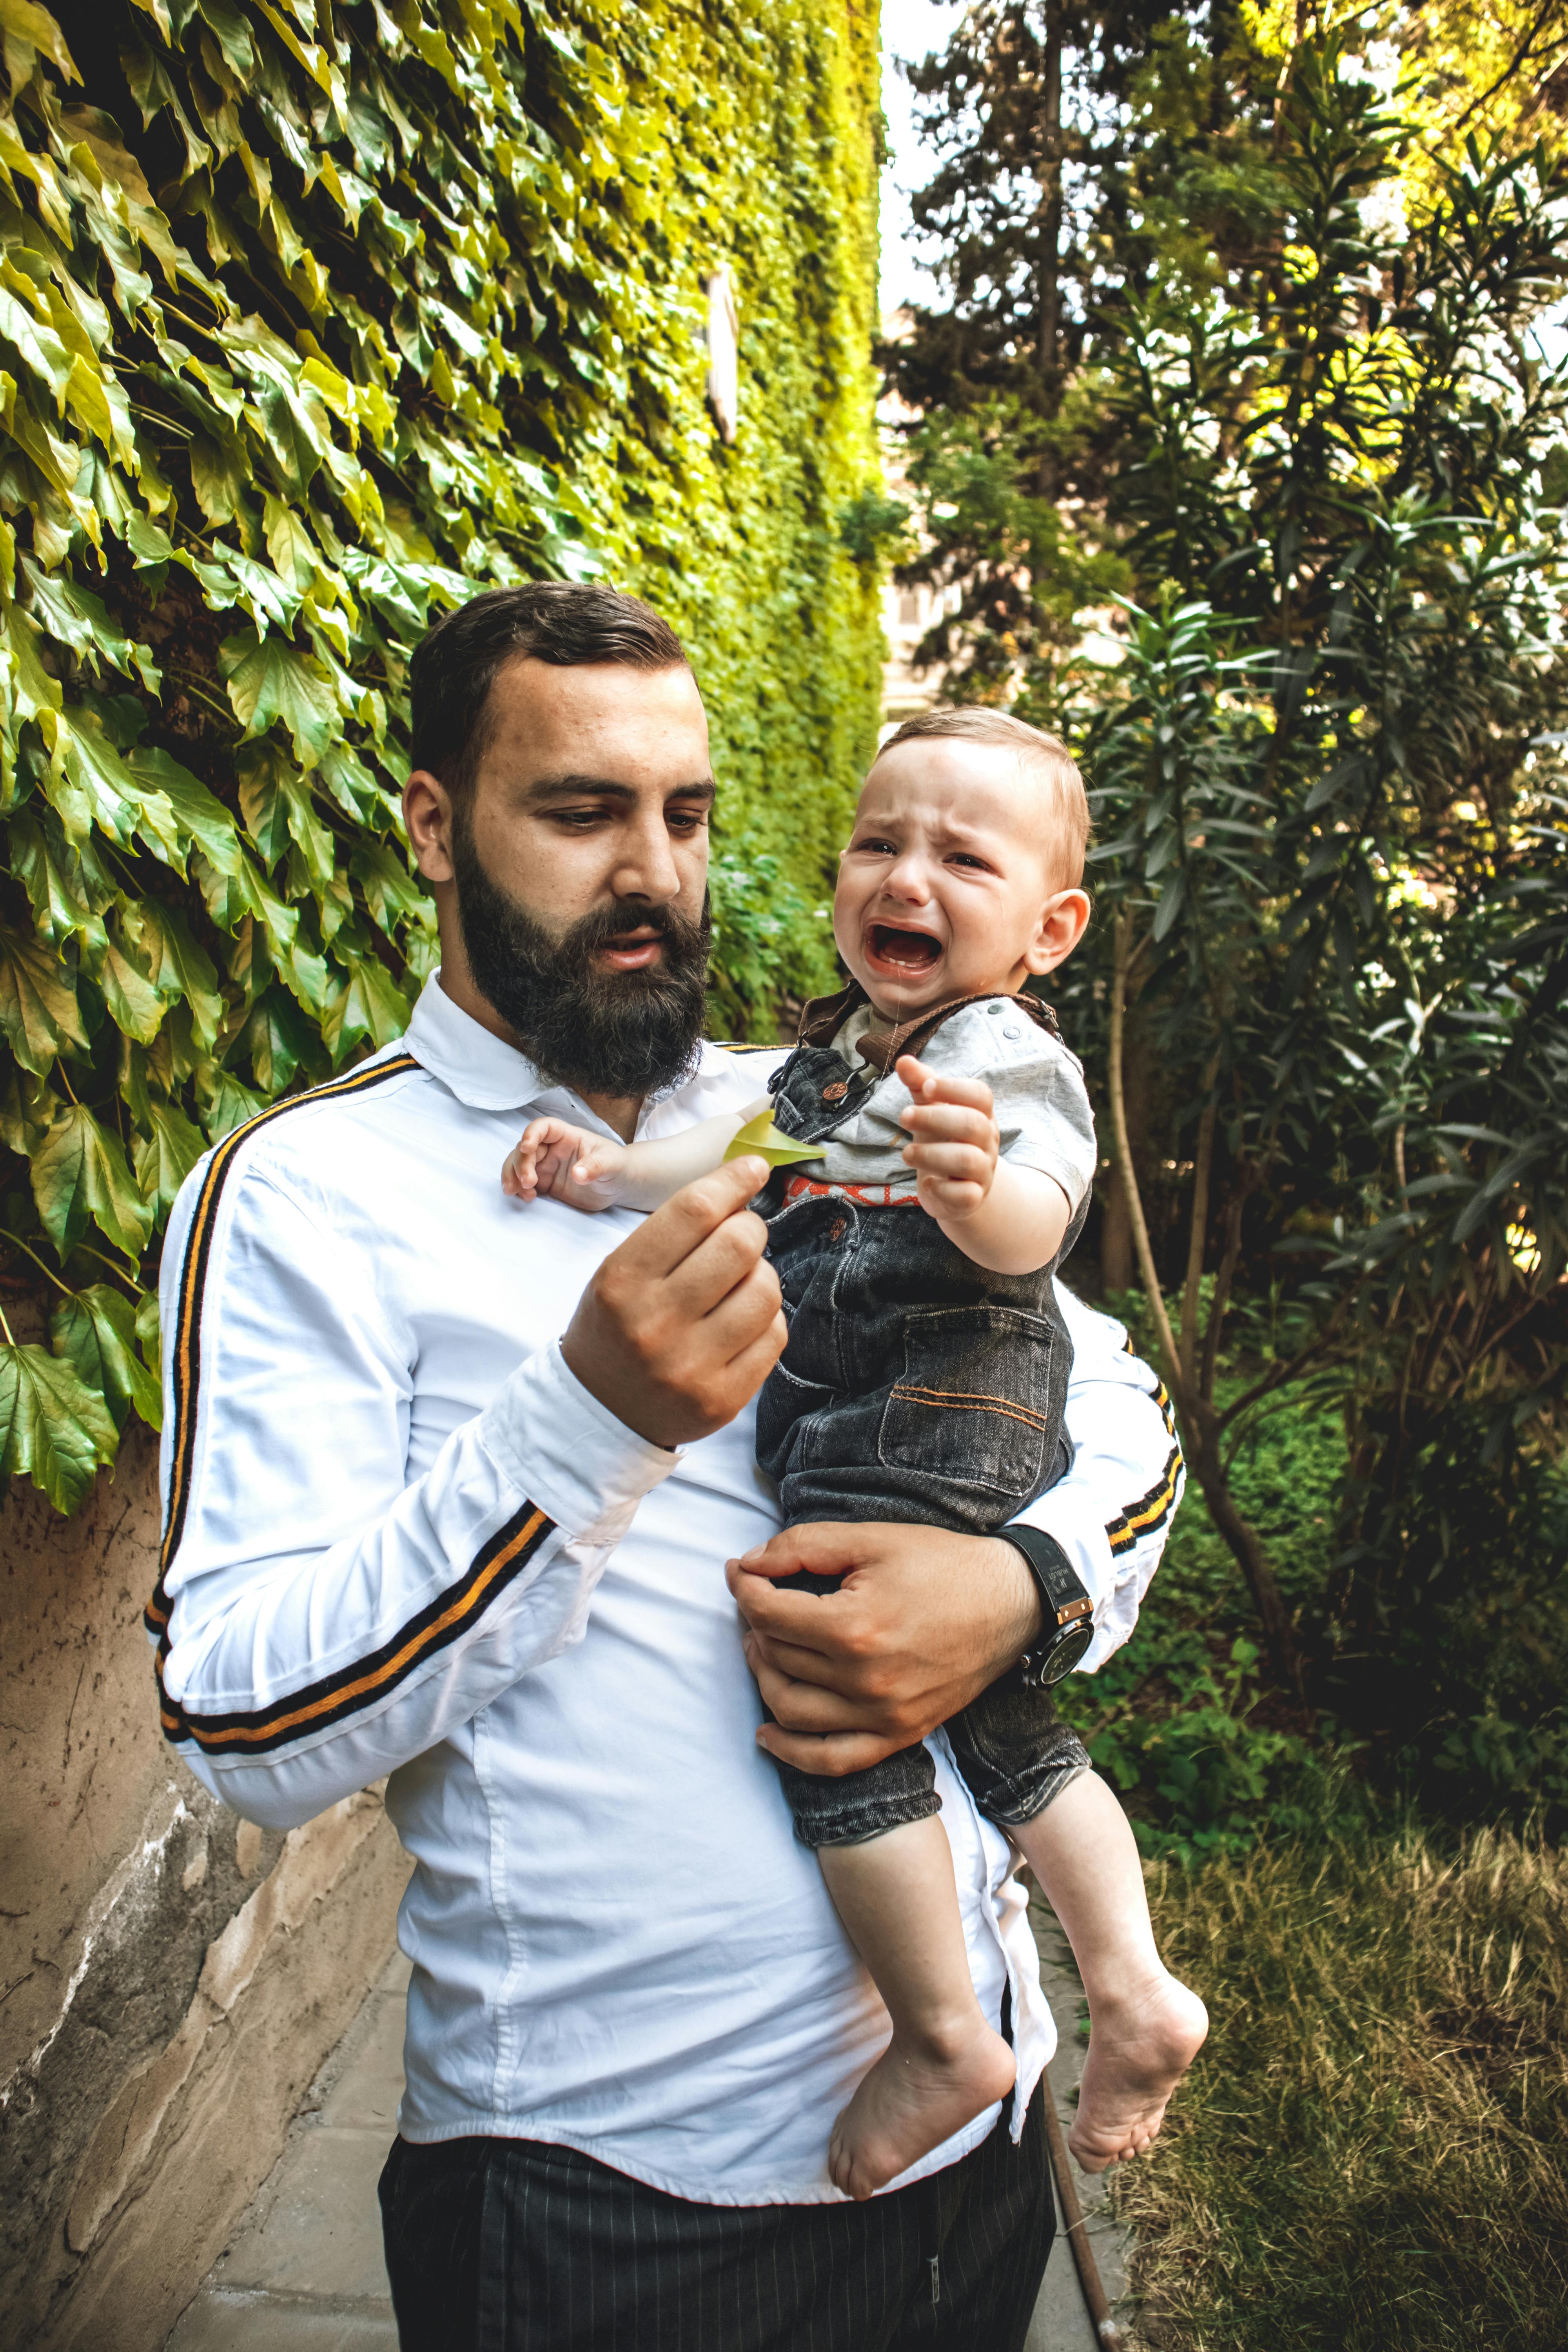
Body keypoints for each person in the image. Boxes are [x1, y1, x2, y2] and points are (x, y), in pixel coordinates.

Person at [149, 583, 1186, 2352]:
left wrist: (1019, 1586)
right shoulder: (312, 1193)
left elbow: (1117, 1417)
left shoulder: (821, 1104)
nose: (652, 874)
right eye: (579, 813)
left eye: (685, 815)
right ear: (433, 823)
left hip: (978, 2145)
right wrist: (590, 1425)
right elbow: (238, 1724)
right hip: (613, 2198)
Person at [501, 708, 1207, 2202]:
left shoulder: (1002, 1055)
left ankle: (945, 2031)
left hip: (942, 1371)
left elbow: (1043, 1228)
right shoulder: (835, 1053)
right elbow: (734, 1163)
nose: (909, 876)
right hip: (868, 1391)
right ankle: (1136, 1992)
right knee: (991, 1712)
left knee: (820, 1664)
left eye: (963, 855)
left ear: (1049, 928)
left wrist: (978, 1195)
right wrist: (601, 1174)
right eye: (881, 842)